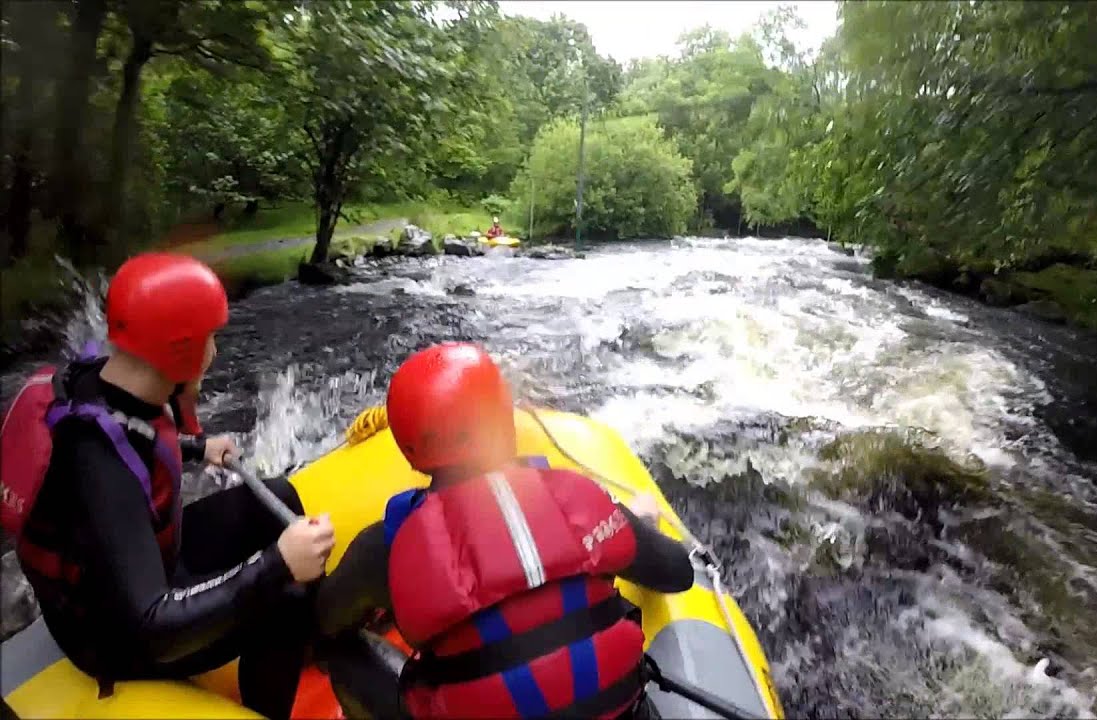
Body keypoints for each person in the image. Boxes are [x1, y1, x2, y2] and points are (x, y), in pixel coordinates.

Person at [0, 252, 335, 720]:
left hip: (137, 565)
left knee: (277, 497)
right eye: (211, 339)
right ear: (179, 352)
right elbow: (150, 625)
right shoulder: (96, 466)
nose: (215, 352)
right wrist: (275, 564)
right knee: (286, 596)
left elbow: (132, 428)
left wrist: (197, 448)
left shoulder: (99, 375)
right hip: (113, 635)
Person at [314, 342, 695, 719]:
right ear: (502, 418)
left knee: (342, 653)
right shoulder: (577, 500)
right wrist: (638, 522)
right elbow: (678, 571)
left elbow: (327, 621)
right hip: (621, 713)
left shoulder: (386, 546)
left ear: (407, 447)